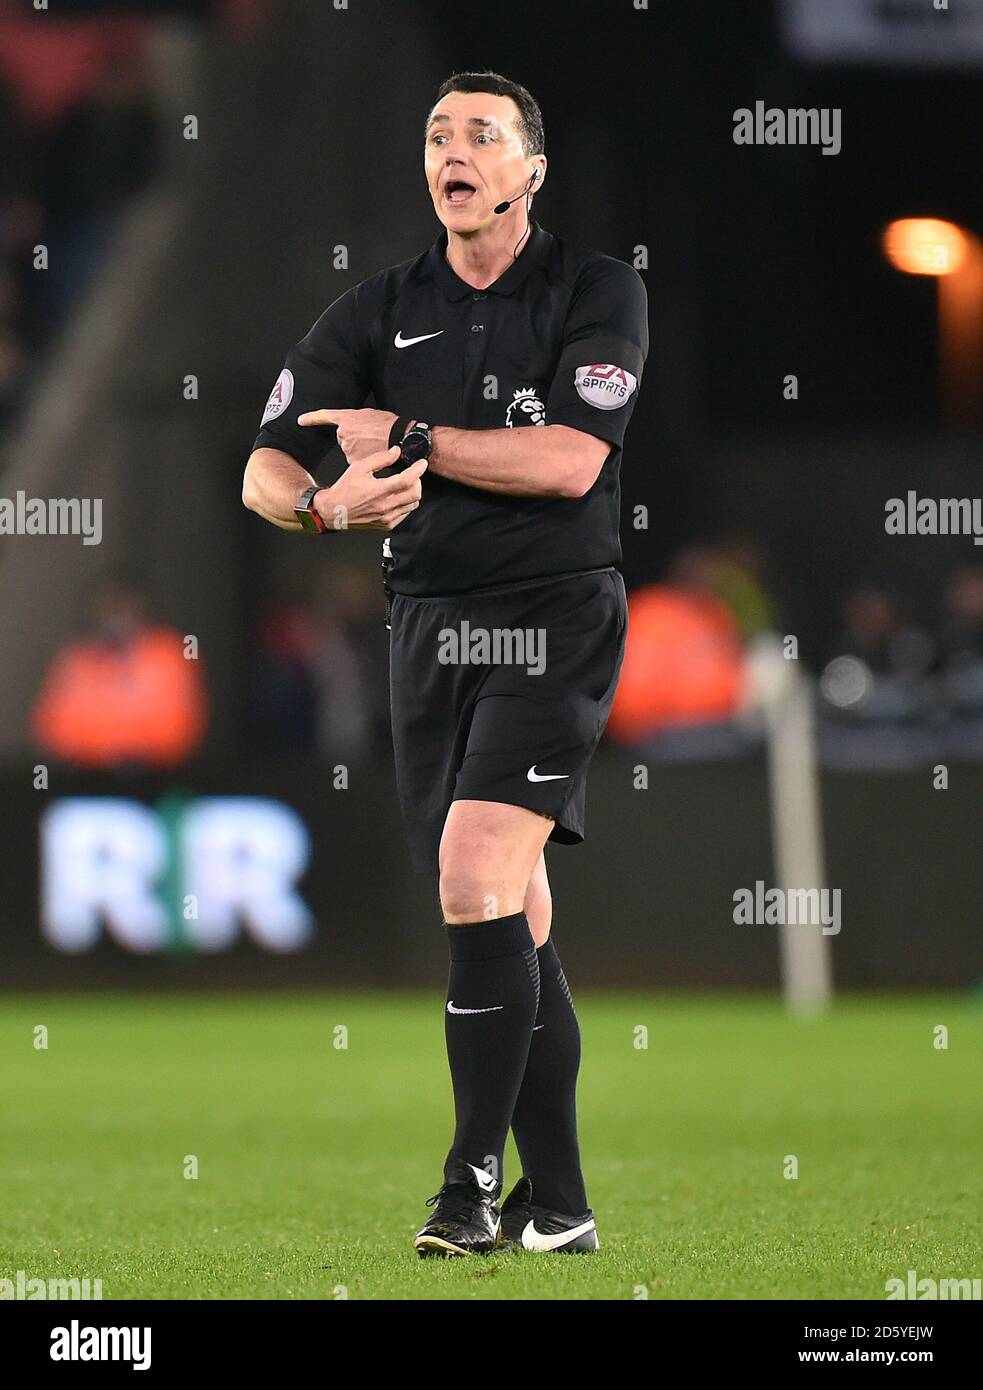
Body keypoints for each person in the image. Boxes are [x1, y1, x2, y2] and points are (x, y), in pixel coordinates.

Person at [242, 71, 648, 1256]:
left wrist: (411, 438)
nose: (451, 151)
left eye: (481, 135)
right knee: (506, 912)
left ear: (529, 170)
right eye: (434, 134)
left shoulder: (594, 287)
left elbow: (572, 461)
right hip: (427, 624)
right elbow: (265, 463)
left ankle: (467, 1186)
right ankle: (560, 1206)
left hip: (552, 616)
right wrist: (322, 510)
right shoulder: (377, 308)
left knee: (471, 876)